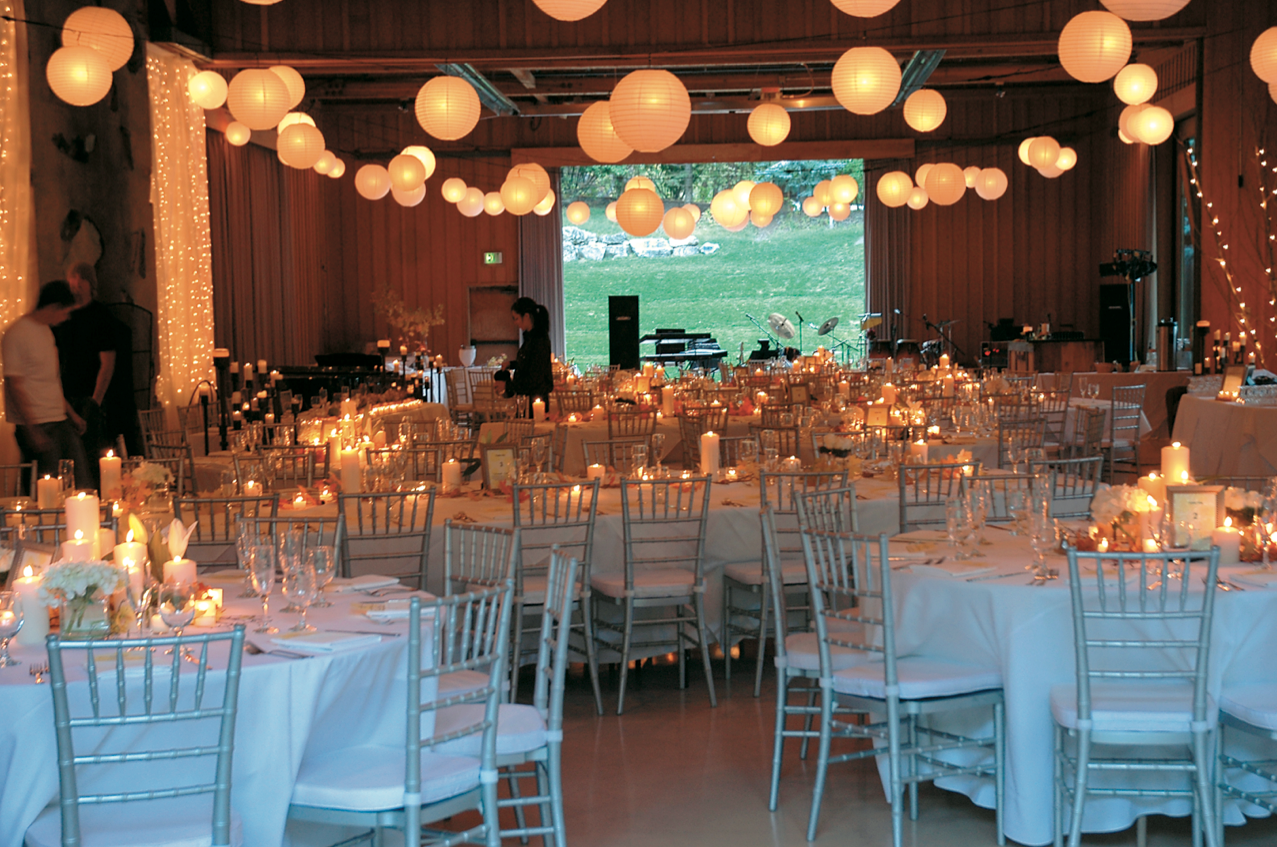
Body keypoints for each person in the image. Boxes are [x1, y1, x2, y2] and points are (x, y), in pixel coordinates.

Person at [2, 281, 90, 486]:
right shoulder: (17, 333)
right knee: (49, 486)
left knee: (79, 478)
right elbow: (14, 385)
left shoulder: (45, 331)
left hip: (58, 419)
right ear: (53, 307)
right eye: (65, 312)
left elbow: (51, 380)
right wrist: (32, 430)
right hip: (38, 422)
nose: (66, 318)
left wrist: (71, 414)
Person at [53, 262, 127, 486]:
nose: (76, 284)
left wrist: (95, 403)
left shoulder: (101, 316)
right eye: (72, 279)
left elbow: (107, 364)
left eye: (81, 279)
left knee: (93, 458)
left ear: (90, 284)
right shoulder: (63, 316)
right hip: (66, 397)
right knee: (67, 460)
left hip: (91, 398)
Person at [495, 297, 553, 406]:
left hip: (535, 400)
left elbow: (535, 376)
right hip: (529, 398)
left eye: (516, 318)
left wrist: (507, 386)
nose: (515, 323)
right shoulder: (530, 337)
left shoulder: (539, 340)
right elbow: (529, 363)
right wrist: (511, 364)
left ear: (526, 316)